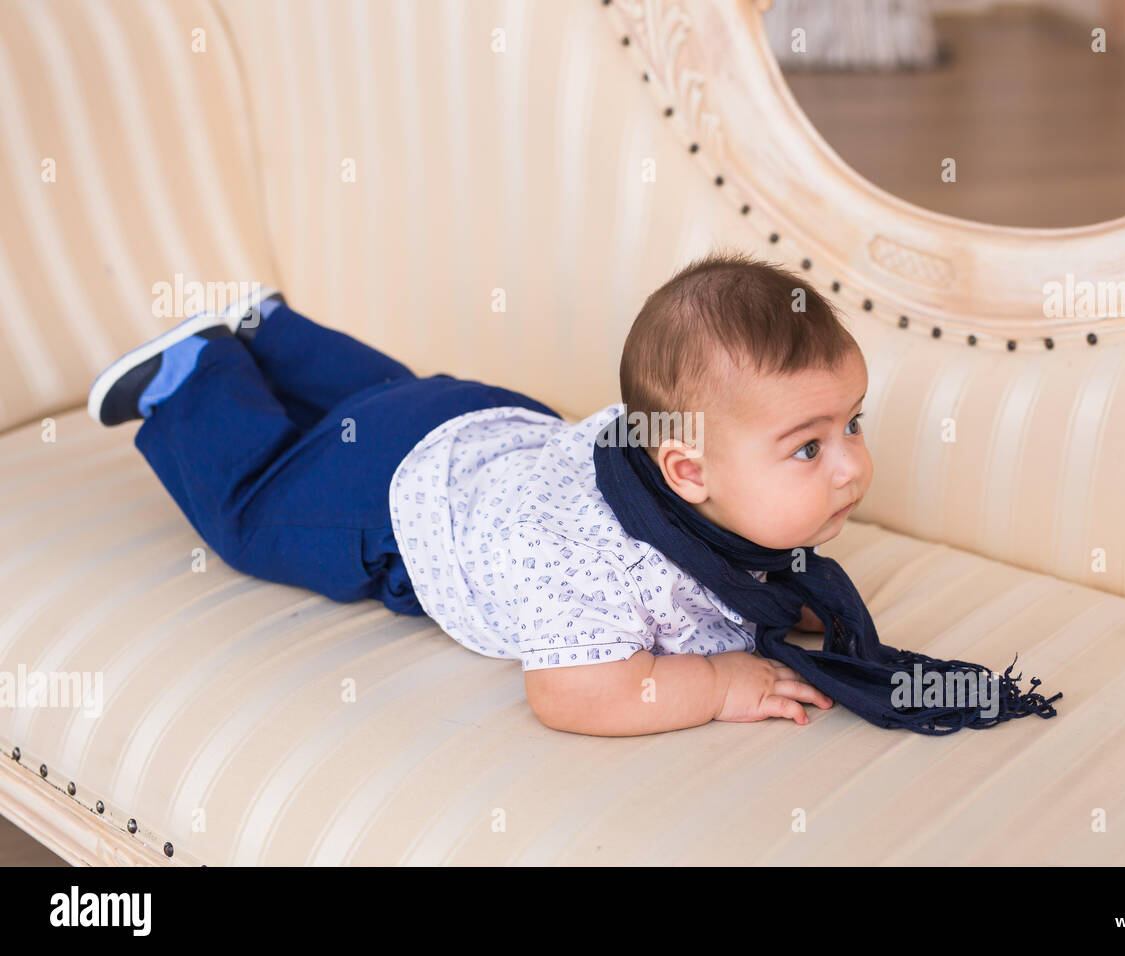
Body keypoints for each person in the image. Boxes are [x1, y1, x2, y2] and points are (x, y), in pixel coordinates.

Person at [88, 250, 868, 734]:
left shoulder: (678, 465)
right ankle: (196, 370)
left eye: (852, 426)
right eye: (808, 447)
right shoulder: (602, 566)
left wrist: (776, 596)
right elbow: (572, 694)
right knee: (256, 512)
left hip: (482, 421)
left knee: (385, 396)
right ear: (688, 472)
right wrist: (715, 684)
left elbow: (737, 569)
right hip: (396, 495)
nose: (851, 468)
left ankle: (273, 336)